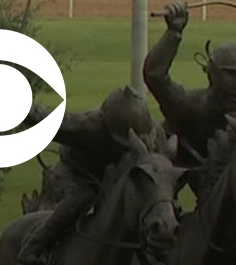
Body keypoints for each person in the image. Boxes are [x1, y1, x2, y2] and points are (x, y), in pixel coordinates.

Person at [16, 86, 155, 265]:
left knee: (125, 203)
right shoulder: (86, 127)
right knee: (82, 198)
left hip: (108, 174)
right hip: (75, 172)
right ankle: (33, 247)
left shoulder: (148, 132)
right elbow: (42, 116)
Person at [142, 0, 236, 199]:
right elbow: (155, 75)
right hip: (170, 161)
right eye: (233, 78)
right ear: (212, 74)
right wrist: (173, 34)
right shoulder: (187, 105)